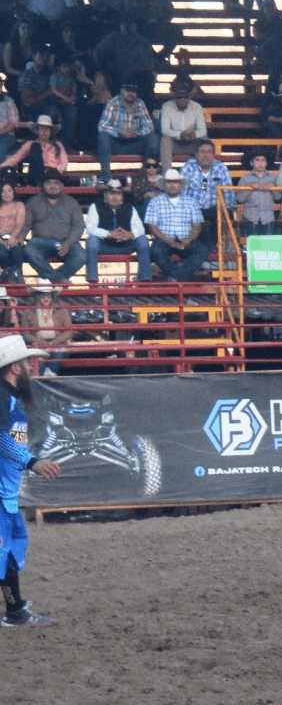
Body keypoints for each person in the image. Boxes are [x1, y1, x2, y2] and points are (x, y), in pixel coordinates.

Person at [0, 334, 59, 626]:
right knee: (4, 550)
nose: (29, 368)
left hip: (4, 489)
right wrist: (32, 462)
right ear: (14, 368)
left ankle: (15, 609)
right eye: (25, 362)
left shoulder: (8, 398)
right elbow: (1, 439)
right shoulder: (2, 397)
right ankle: (15, 613)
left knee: (7, 550)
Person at [18, 168, 85, 283]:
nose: (52, 186)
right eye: (49, 183)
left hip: (66, 241)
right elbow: (26, 224)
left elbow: (78, 226)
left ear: (62, 185)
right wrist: (21, 236)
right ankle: (58, 279)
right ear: (43, 185)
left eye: (56, 183)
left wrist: (69, 242)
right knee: (29, 250)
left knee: (81, 255)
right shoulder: (33, 202)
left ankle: (52, 279)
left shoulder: (72, 202)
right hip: (41, 241)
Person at [144, 168, 208, 282]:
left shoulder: (191, 202)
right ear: (164, 185)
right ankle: (181, 277)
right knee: (155, 251)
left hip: (185, 241)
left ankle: (175, 277)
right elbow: (152, 226)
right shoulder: (155, 202)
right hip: (164, 241)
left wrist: (189, 239)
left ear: (180, 184)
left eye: (175, 182)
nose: (172, 185)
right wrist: (167, 240)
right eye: (169, 182)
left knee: (202, 250)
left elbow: (197, 225)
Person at [84, 179, 151, 284]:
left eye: (118, 194)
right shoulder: (95, 206)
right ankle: (93, 281)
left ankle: (144, 279)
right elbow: (90, 229)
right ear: (105, 194)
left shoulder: (130, 207)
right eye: (111, 193)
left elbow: (141, 229)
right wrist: (108, 234)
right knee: (91, 240)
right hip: (104, 246)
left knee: (143, 240)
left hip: (126, 245)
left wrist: (130, 234)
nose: (115, 197)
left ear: (122, 196)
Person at [96, 81, 157, 184]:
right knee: (103, 137)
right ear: (122, 91)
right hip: (117, 143)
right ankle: (106, 176)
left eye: (133, 91)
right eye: (128, 91)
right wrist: (119, 131)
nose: (131, 93)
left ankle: (147, 176)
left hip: (135, 143)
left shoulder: (140, 103)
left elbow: (149, 126)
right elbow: (102, 126)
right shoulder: (113, 102)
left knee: (153, 138)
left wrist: (138, 132)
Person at [179, 139, 235, 247]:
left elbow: (228, 194)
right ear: (196, 154)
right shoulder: (188, 167)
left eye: (209, 152)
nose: (206, 155)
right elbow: (182, 194)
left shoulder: (221, 168)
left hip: (214, 209)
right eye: (202, 152)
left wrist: (228, 210)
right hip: (194, 209)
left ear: (213, 154)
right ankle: (205, 247)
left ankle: (209, 247)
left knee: (225, 213)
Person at [0, 115, 67, 186]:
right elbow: (15, 158)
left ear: (50, 132)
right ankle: (37, 182)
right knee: (35, 146)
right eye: (42, 129)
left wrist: (54, 172)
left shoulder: (58, 144)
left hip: (53, 175)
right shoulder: (30, 144)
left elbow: (64, 162)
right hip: (36, 175)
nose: (44, 132)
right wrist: (1, 166)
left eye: (47, 129)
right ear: (37, 131)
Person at [19, 283, 69, 375]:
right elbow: (25, 333)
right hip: (36, 343)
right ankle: (47, 376)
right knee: (38, 359)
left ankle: (48, 375)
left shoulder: (61, 310)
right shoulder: (28, 311)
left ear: (52, 297)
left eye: (48, 296)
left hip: (57, 343)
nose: (46, 298)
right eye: (43, 295)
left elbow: (68, 331)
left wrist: (53, 343)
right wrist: (40, 342)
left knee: (59, 352)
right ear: (37, 296)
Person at [159, 77, 206, 171]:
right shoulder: (166, 106)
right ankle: (168, 175)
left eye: (185, 97)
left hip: (192, 142)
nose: (182, 99)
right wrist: (180, 135)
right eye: (179, 97)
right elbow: (165, 130)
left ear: (190, 96)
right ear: (174, 96)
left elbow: (203, 130)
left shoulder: (197, 107)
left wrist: (194, 135)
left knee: (205, 142)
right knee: (165, 140)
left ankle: (203, 175)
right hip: (174, 143)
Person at [235, 150, 279, 236]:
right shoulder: (245, 178)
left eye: (263, 160)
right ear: (251, 163)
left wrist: (273, 187)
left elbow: (277, 197)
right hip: (250, 217)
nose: (260, 163)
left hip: (268, 217)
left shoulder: (273, 177)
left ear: (266, 163)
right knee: (253, 246)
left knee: (268, 246)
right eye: (257, 160)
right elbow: (240, 199)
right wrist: (249, 187)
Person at [0, 182, 24, 283]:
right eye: (3, 191)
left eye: (9, 190)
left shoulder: (19, 205)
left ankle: (16, 279)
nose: (6, 194)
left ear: (14, 192)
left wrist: (13, 237)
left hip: (14, 237)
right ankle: (11, 279)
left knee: (17, 251)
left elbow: (20, 223)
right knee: (2, 254)